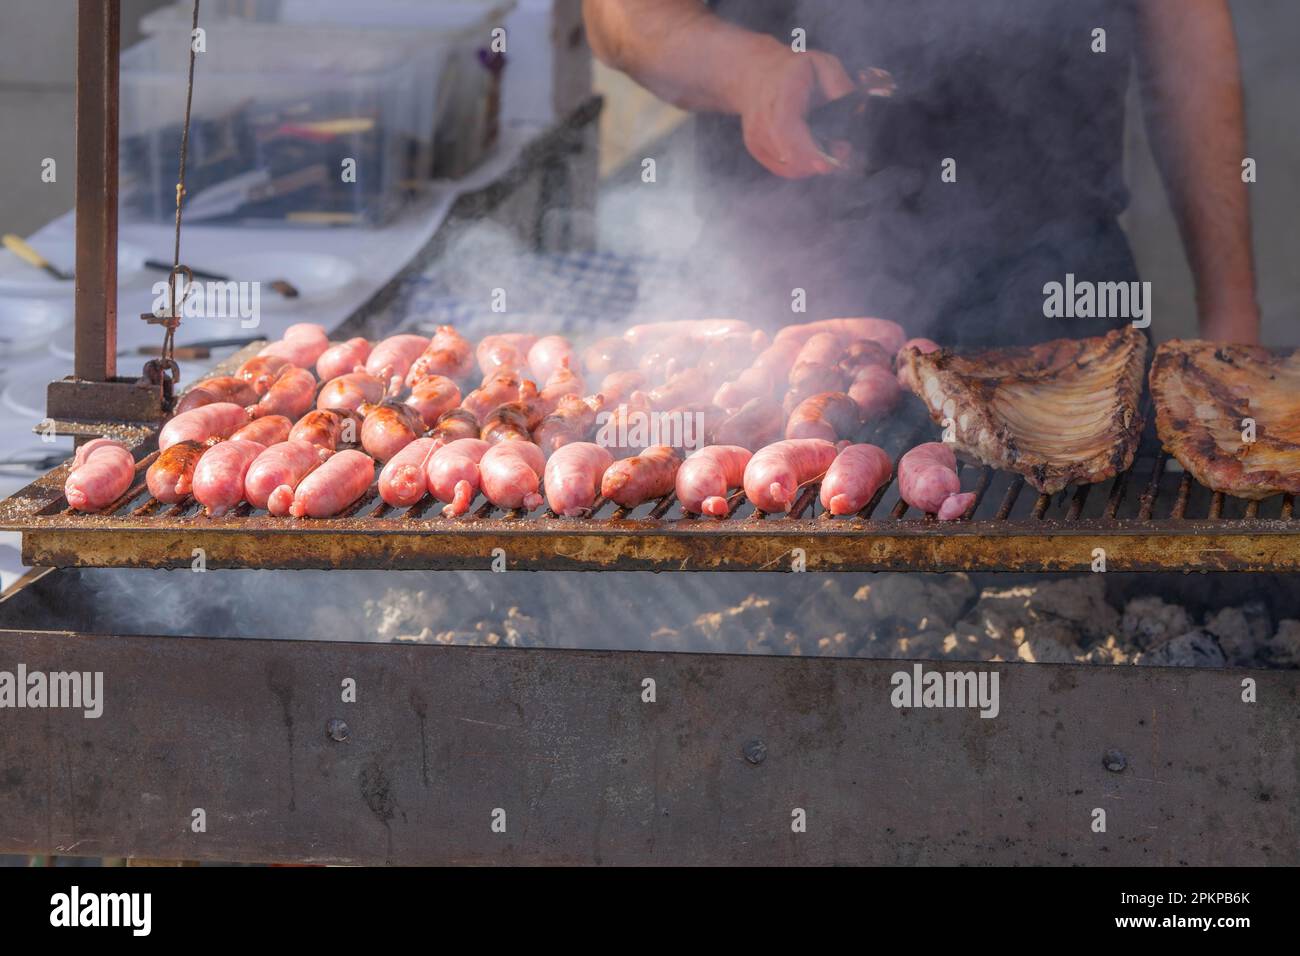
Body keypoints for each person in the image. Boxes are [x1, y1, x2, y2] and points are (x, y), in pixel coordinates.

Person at [584, 0, 1262, 346]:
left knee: (1083, 605)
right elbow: (621, 17)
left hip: (1059, 303)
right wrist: (749, 69)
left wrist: (1232, 314)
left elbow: (1182, 20)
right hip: (783, 317)